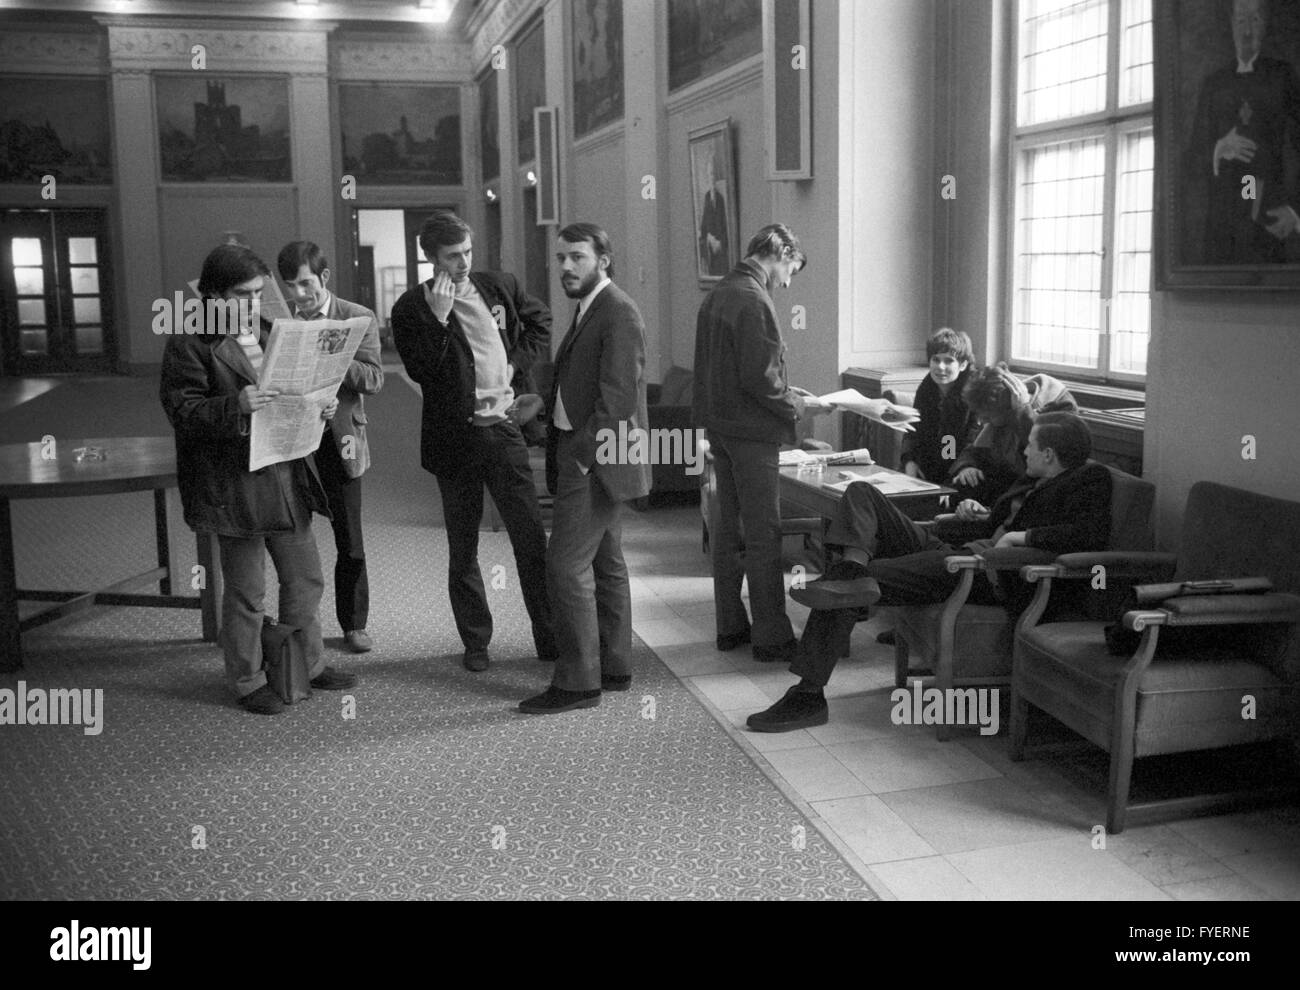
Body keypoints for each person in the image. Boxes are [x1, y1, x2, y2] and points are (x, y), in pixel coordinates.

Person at [747, 412, 1112, 732]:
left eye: (1031, 445)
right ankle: (848, 571)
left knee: (858, 581)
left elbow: (1087, 534)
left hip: (986, 573)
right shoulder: (1033, 481)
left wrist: (1021, 535)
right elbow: (1002, 521)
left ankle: (809, 694)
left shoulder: (1090, 481)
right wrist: (981, 514)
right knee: (861, 493)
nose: (1024, 451)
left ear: (1050, 453)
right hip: (960, 549)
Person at [159, 243, 357, 716]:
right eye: (241, 294)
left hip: (286, 473)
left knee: (305, 579)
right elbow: (182, 411)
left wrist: (321, 403)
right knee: (248, 592)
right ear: (211, 294)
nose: (251, 303)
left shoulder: (270, 329)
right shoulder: (190, 340)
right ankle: (246, 679)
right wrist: (235, 406)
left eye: (256, 292)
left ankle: (304, 665)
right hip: (234, 484)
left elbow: (296, 387)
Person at [390, 210, 557, 671]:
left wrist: (512, 363)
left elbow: (541, 322)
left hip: (503, 432)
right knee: (463, 548)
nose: (463, 262)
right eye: (452, 256)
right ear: (430, 258)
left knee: (529, 542)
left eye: (467, 251)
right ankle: (477, 643)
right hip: (454, 440)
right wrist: (440, 319)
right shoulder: (410, 309)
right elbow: (422, 370)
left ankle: (548, 636)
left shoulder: (498, 286)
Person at [518, 223, 652, 715]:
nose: (566, 267)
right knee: (605, 563)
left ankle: (578, 682)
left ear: (604, 258)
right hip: (594, 452)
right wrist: (545, 401)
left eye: (576, 256)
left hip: (595, 458)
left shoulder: (618, 311)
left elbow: (616, 400)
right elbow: (586, 382)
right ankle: (614, 665)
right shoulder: (591, 306)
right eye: (560, 258)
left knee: (565, 567)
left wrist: (582, 456)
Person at [693, 224, 834, 663]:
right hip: (753, 433)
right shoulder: (755, 299)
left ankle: (730, 627)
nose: (788, 281)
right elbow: (761, 378)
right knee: (763, 534)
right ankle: (771, 636)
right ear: (782, 252)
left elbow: (721, 369)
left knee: (728, 531)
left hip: (721, 427)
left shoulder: (718, 293)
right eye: (792, 269)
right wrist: (798, 407)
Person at [277, 241, 384, 655]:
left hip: (340, 437)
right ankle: (299, 625)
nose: (298, 295)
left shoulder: (357, 317)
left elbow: (374, 379)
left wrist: (331, 354)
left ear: (323, 278)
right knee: (292, 535)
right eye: (290, 286)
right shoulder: (280, 320)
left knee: (349, 539)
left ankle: (354, 624)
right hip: (292, 439)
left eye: (305, 284)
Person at [1188, 0, 1300, 264]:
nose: (1247, 31)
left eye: (1255, 20)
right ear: (1230, 25)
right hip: (1221, 228)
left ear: (1265, 25)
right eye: (1241, 21)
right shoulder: (1214, 85)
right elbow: (1190, 160)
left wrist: (1295, 212)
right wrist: (1218, 148)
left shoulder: (1282, 77)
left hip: (1269, 220)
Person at [948, 363, 1077, 506]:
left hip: (1033, 486)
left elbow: (1047, 452)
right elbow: (972, 449)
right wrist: (966, 466)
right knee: (960, 484)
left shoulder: (1061, 406)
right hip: (1002, 479)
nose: (981, 421)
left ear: (1008, 409)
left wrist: (1022, 413)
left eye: (988, 417)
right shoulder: (992, 406)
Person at [899, 328, 980, 484]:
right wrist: (910, 462)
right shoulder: (926, 387)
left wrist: (955, 473)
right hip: (928, 465)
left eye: (949, 361)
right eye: (936, 359)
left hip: (963, 468)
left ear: (962, 365)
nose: (940, 367)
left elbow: (972, 438)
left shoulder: (973, 392)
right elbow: (912, 429)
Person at [697, 153, 730, 277]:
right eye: (709, 174)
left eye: (713, 175)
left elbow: (726, 226)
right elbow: (704, 227)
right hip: (711, 252)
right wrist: (707, 238)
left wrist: (719, 243)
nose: (711, 178)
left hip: (722, 252)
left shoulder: (721, 199)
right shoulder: (707, 197)